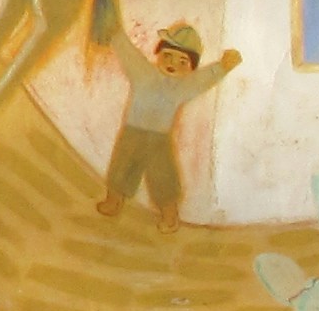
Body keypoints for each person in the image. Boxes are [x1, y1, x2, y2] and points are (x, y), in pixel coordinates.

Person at [96, 25, 243, 227]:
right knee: (121, 167)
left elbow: (202, 80)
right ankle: (113, 201)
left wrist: (222, 67)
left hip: (159, 139)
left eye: (182, 62)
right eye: (168, 56)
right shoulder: (143, 73)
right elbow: (128, 53)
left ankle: (169, 215)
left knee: (163, 178)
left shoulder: (183, 87)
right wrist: (115, 32)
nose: (173, 64)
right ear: (159, 54)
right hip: (132, 131)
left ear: (191, 67)